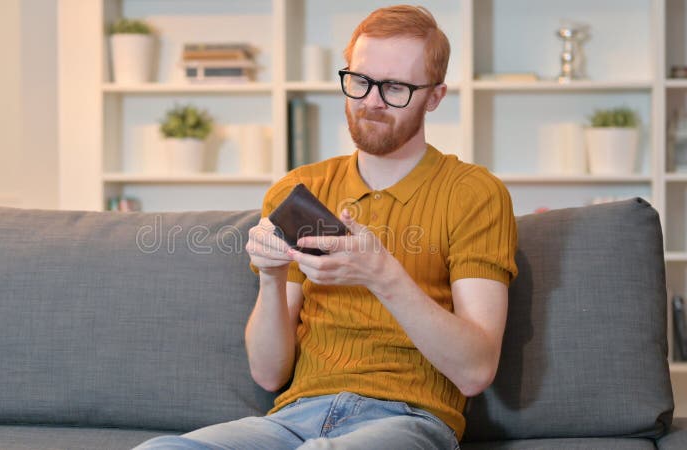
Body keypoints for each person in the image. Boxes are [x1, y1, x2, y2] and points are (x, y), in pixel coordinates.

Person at [134, 4, 517, 449]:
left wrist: (382, 274)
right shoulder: (300, 189)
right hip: (295, 417)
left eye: (395, 87)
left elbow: (475, 371)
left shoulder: (474, 192)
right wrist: (272, 278)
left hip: (409, 420)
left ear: (434, 96)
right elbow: (268, 373)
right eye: (360, 81)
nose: (371, 101)